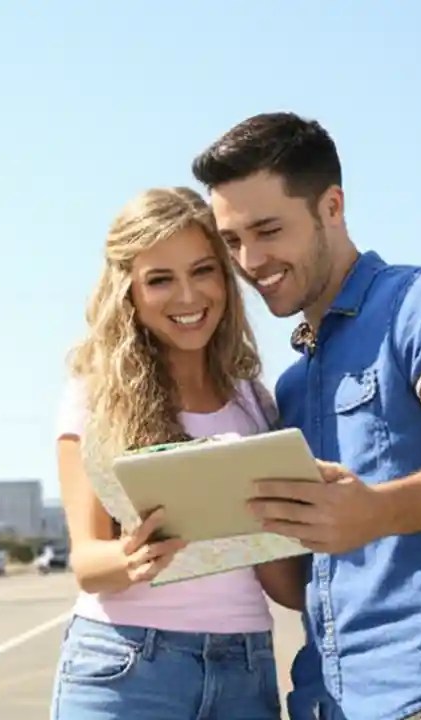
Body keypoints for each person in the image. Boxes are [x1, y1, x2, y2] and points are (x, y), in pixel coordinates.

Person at [189, 112, 421, 720]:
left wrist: (375, 512)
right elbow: (295, 582)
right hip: (324, 701)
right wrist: (221, 520)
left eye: (268, 229)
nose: (250, 259)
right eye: (232, 241)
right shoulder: (295, 383)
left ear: (331, 206)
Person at [51, 186, 306, 719]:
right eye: (160, 280)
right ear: (130, 293)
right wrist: (133, 557)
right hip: (126, 668)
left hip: (244, 667)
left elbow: (285, 587)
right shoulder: (95, 396)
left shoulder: (254, 402)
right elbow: (87, 563)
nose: (188, 297)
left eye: (203, 271)